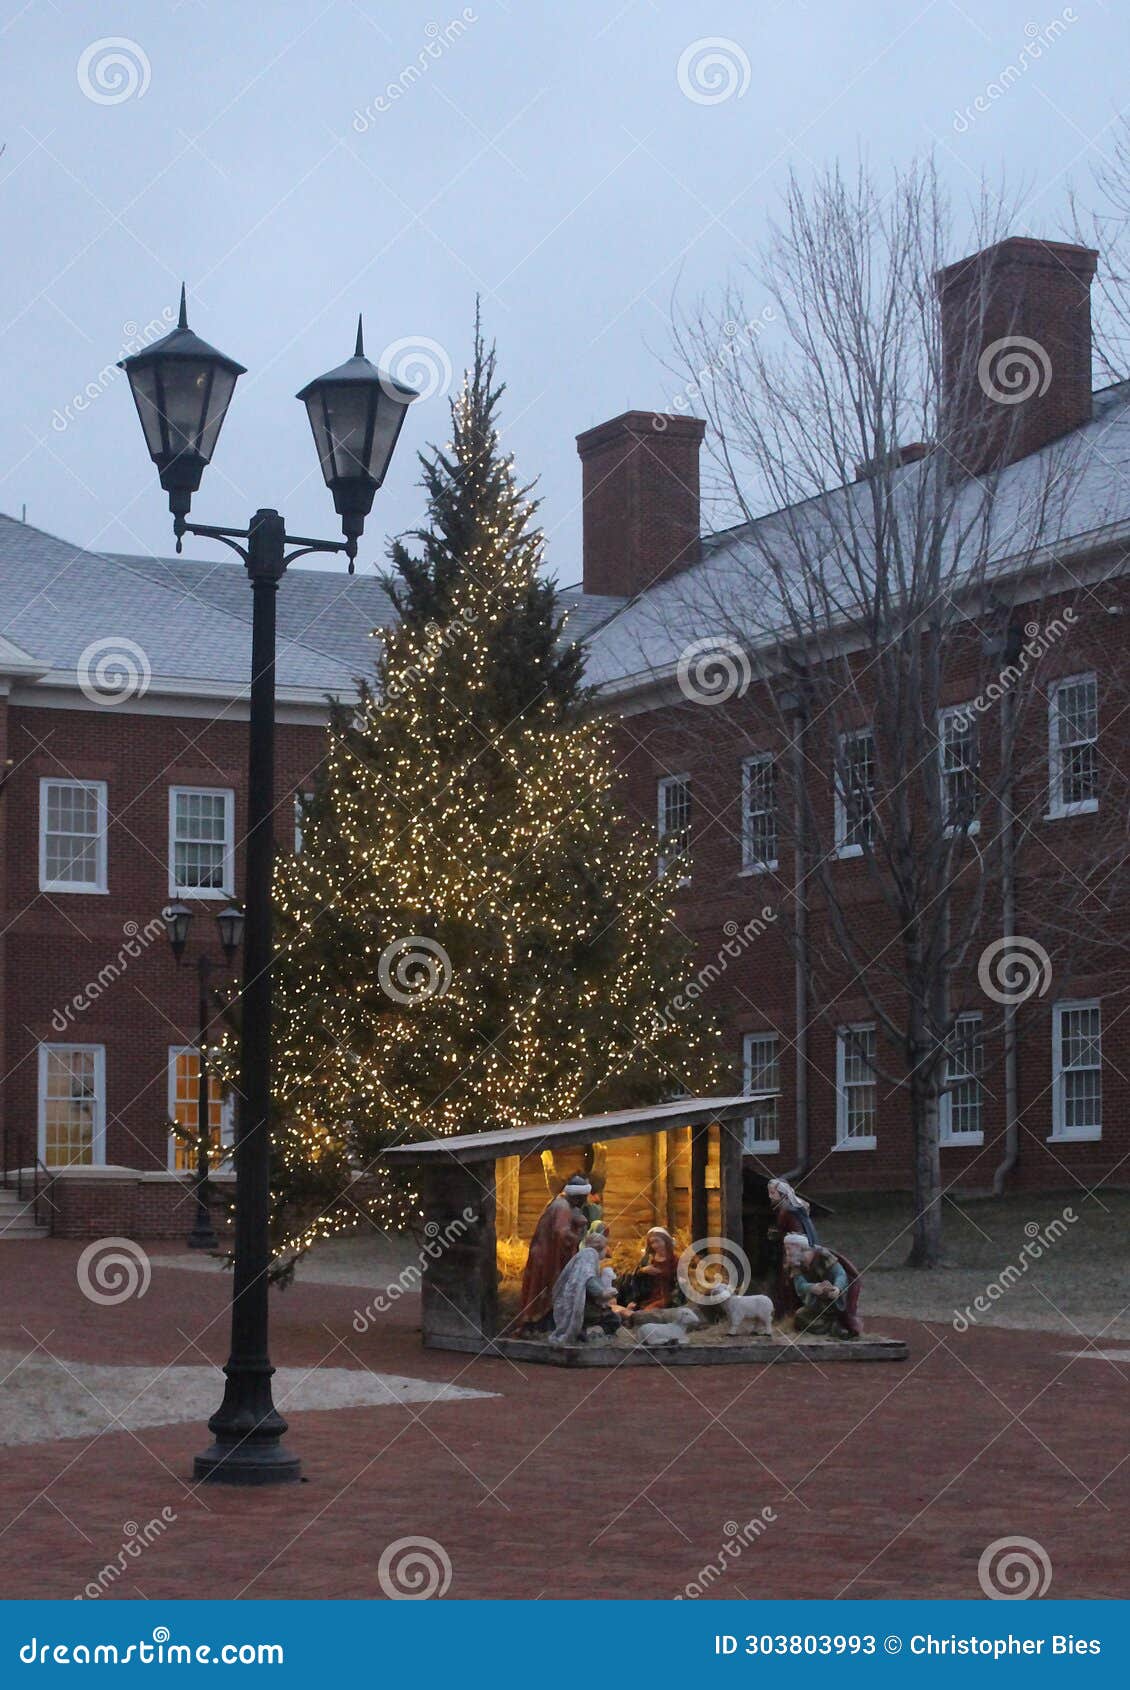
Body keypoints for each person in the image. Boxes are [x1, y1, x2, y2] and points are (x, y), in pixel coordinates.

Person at [516, 1172, 591, 1332]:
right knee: (549, 1290)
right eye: (585, 1196)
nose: (586, 1200)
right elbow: (561, 1233)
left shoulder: (561, 1203)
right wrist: (578, 1236)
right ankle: (541, 1325)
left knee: (542, 1290)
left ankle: (538, 1323)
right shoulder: (562, 1207)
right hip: (548, 1258)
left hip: (546, 1254)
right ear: (578, 1196)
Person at [549, 1221, 621, 1345]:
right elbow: (589, 1279)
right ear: (601, 1248)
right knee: (614, 1319)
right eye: (605, 1248)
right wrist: (603, 1292)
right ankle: (595, 1337)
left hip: (581, 1301)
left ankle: (582, 1332)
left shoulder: (583, 1255)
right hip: (583, 1305)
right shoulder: (589, 1256)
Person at [784, 1236, 862, 1338]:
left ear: (801, 1248)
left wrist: (837, 1288)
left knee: (845, 1318)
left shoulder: (823, 1256)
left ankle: (839, 1324)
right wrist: (813, 1287)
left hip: (834, 1295)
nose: (787, 1252)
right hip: (815, 1299)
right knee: (800, 1316)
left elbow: (840, 1274)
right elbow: (799, 1285)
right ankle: (828, 1327)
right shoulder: (796, 1263)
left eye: (789, 1249)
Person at [767, 1178, 818, 1314]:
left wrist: (776, 1235)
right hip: (799, 1246)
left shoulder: (786, 1211)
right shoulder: (794, 1207)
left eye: (772, 1193)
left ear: (782, 1194)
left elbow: (793, 1232)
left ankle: (790, 1312)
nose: (770, 1196)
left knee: (789, 1282)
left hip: (796, 1249)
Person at [621, 1225, 681, 1312]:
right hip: (647, 1296)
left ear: (665, 1240)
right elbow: (634, 1279)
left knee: (648, 1312)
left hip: (666, 1297)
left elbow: (678, 1284)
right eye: (652, 1243)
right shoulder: (648, 1259)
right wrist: (643, 1271)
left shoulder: (675, 1260)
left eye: (657, 1241)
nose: (655, 1245)